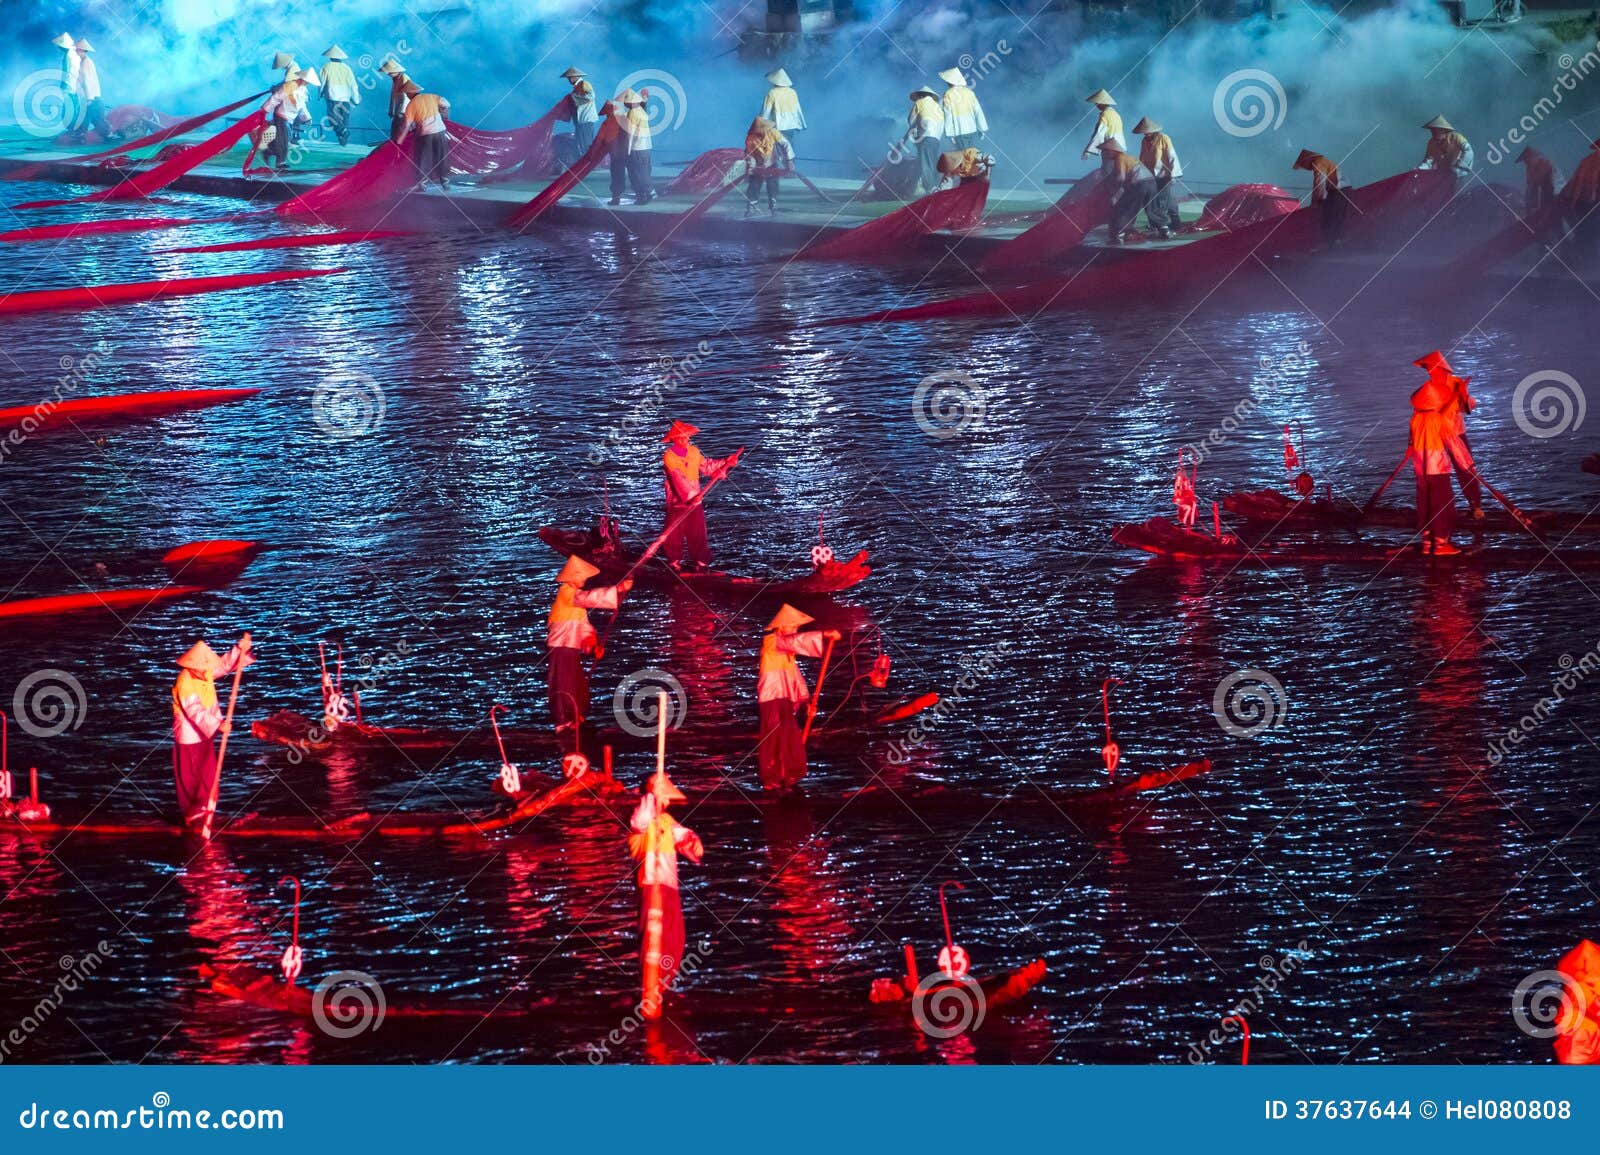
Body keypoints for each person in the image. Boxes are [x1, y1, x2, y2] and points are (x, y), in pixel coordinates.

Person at [628, 768, 704, 1019]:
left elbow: (685, 838)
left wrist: (692, 841)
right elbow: (639, 822)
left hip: (669, 887)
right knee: (653, 937)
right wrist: (652, 795)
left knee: (676, 937)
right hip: (652, 886)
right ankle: (649, 991)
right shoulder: (643, 822)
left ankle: (662, 983)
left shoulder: (667, 822)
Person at [172, 636, 254, 832]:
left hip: (205, 735)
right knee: (190, 776)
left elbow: (224, 666)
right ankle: (192, 814)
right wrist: (218, 725)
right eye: (202, 668)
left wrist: (239, 649)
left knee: (207, 773)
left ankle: (203, 807)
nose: (205, 671)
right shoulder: (185, 682)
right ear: (193, 667)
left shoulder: (204, 673)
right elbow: (195, 711)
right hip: (190, 736)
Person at [546, 557, 632, 741]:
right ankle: (562, 721)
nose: (584, 580)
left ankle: (575, 717)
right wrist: (617, 589)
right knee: (562, 683)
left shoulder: (576, 602)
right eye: (581, 576)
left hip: (570, 647)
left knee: (576, 683)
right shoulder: (566, 593)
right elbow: (587, 598)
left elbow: (584, 627)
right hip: (560, 647)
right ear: (572, 577)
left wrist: (593, 647)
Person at [757, 605, 841, 792]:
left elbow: (795, 678)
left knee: (789, 737)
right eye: (792, 627)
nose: (795, 631)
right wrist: (825, 634)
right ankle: (771, 780)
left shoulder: (787, 650)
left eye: (796, 628)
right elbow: (794, 641)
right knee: (773, 739)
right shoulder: (772, 641)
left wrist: (806, 702)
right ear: (781, 627)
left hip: (783, 699)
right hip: (772, 698)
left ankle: (788, 777)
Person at [1408, 361, 1479, 555]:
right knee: (1442, 503)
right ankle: (1441, 544)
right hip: (1437, 468)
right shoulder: (1437, 420)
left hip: (1421, 469)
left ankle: (1427, 543)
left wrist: (1462, 393)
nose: (1430, 372)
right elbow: (1455, 447)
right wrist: (1467, 465)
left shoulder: (1416, 418)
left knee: (1426, 502)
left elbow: (1412, 442)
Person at [661, 420, 739, 571]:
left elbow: (707, 466)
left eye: (686, 436)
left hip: (695, 498)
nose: (685, 439)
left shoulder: (694, 452)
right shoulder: (669, 457)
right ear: (674, 439)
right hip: (677, 499)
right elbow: (678, 478)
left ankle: (701, 563)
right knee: (674, 532)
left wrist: (725, 462)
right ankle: (674, 563)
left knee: (697, 531)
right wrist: (690, 496)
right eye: (681, 437)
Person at [1415, 350, 1483, 519]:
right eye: (1428, 369)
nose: (1430, 372)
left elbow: (1468, 408)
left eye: (1432, 368)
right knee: (1437, 474)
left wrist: (1463, 393)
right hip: (1435, 437)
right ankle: (1440, 511)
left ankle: (1475, 506)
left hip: (1456, 434)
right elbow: (1422, 415)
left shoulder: (1456, 383)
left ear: (1442, 368)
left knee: (1465, 470)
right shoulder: (1428, 389)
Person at [1132, 116, 1182, 239]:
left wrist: (1174, 175)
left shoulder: (1164, 139)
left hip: (1164, 175)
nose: (1145, 134)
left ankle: (1165, 225)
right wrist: (1139, 173)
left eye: (1146, 132)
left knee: (1162, 200)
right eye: (1143, 132)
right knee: (1163, 200)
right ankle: (1171, 222)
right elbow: (1142, 158)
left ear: (1153, 130)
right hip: (1150, 175)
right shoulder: (1144, 141)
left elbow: (1172, 157)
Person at [397, 80, 451, 188]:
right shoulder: (432, 97)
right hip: (440, 131)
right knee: (441, 156)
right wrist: (443, 114)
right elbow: (446, 105)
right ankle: (445, 182)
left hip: (425, 134)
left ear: (409, 93)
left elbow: (406, 126)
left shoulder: (411, 105)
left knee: (423, 158)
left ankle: (422, 183)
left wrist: (399, 141)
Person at [608, 87, 653, 205]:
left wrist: (627, 151)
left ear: (629, 102)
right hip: (646, 146)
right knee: (644, 172)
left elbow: (630, 133)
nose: (625, 104)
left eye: (625, 102)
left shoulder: (632, 112)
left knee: (636, 173)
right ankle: (647, 194)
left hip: (636, 147)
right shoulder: (642, 111)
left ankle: (642, 197)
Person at [260, 69, 312, 173]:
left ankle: (268, 151)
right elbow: (276, 98)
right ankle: (280, 162)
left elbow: (302, 106)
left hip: (289, 117)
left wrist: (307, 118)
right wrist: (265, 109)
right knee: (283, 140)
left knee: (285, 138)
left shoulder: (303, 90)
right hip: (281, 115)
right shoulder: (289, 86)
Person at [1294, 148, 1347, 248]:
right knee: (1336, 218)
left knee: (1328, 219)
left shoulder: (1318, 163)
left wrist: (1316, 202)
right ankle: (1335, 244)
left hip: (1337, 192)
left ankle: (1329, 246)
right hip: (1343, 190)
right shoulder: (1324, 161)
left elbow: (1319, 183)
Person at [1559, 140, 1600, 265]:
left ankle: (1585, 258)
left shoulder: (1587, 161)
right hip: (1585, 203)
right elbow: (1580, 184)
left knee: (1588, 230)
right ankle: (1584, 259)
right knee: (1587, 230)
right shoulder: (1589, 162)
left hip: (1585, 203)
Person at [743, 116, 793, 216]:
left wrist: (789, 160)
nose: (761, 133)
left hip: (772, 163)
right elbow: (750, 155)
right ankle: (751, 207)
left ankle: (773, 206)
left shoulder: (773, 132)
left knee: (773, 184)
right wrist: (751, 167)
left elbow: (786, 144)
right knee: (754, 185)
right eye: (758, 132)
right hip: (758, 165)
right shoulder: (750, 138)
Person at [899, 86, 944, 195]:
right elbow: (941, 124)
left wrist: (915, 132)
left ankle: (930, 189)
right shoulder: (937, 106)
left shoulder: (919, 102)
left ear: (921, 95)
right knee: (931, 162)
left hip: (925, 136)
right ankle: (916, 188)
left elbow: (911, 119)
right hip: (936, 138)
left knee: (925, 164)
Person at [1100, 139, 1146, 245]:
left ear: (1112, 151)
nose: (1104, 154)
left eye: (1105, 151)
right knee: (1132, 207)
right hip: (1146, 182)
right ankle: (1126, 230)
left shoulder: (1119, 158)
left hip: (1139, 184)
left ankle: (1120, 232)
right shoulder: (1129, 157)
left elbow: (1121, 178)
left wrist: (1116, 192)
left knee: (1124, 207)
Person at [938, 67, 986, 152]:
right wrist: (982, 129)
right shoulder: (970, 92)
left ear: (950, 81)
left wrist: (950, 134)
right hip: (972, 129)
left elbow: (948, 115)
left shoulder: (949, 94)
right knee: (972, 155)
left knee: (964, 157)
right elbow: (978, 111)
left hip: (959, 131)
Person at [70, 39, 109, 143]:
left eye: (77, 50)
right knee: (96, 120)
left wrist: (89, 98)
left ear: (82, 51)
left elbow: (87, 81)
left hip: (91, 97)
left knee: (87, 118)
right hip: (92, 96)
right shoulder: (84, 61)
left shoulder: (86, 62)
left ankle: (81, 137)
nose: (76, 52)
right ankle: (105, 135)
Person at [320, 45, 360, 146]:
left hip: (332, 96)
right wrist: (356, 99)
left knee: (332, 119)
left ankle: (343, 132)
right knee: (344, 118)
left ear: (330, 56)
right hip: (345, 97)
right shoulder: (347, 68)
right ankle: (343, 140)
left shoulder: (326, 67)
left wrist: (320, 94)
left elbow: (322, 82)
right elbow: (353, 85)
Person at [760, 68, 806, 144]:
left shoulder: (772, 93)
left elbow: (766, 111)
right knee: (789, 144)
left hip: (779, 125)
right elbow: (798, 109)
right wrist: (800, 123)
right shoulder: (793, 92)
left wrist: (761, 126)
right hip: (791, 124)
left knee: (778, 146)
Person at [561, 66, 599, 153]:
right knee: (581, 143)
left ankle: (588, 164)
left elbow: (591, 96)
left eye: (569, 78)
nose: (569, 80)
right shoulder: (577, 87)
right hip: (581, 120)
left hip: (586, 119)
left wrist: (574, 97)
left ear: (575, 76)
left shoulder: (585, 84)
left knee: (586, 144)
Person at [1081, 88, 1125, 161]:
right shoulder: (1116, 114)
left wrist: (1088, 151)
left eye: (1097, 103)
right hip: (1121, 146)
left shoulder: (1105, 115)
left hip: (1111, 148)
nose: (1096, 105)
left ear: (1102, 103)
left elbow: (1099, 133)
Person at [52, 33, 80, 135]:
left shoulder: (68, 55)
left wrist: (63, 84)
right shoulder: (74, 54)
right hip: (75, 85)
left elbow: (67, 72)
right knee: (74, 107)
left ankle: (71, 130)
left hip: (69, 85)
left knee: (69, 108)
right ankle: (73, 129)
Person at [379, 57, 410, 142]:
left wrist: (401, 112)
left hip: (403, 112)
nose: (388, 74)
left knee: (400, 133)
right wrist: (391, 111)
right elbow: (393, 98)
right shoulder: (395, 80)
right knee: (395, 132)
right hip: (398, 112)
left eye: (390, 72)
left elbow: (406, 97)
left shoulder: (404, 78)